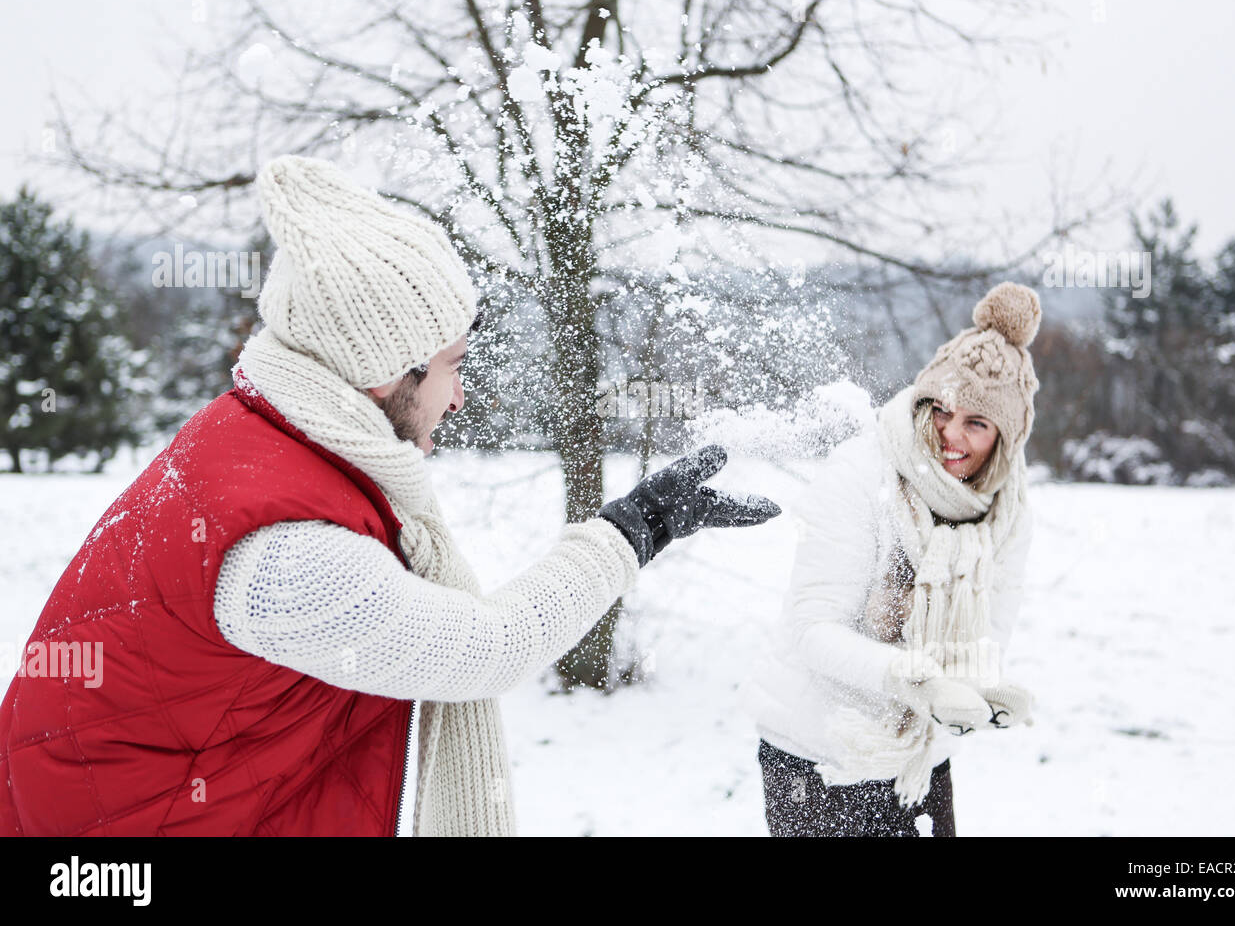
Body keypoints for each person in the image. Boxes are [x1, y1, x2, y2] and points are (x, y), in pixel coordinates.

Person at [0, 154, 779, 837]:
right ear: (384, 372)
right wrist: (633, 529)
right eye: (452, 364)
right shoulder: (286, 555)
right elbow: (488, 648)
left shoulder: (260, 434)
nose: (461, 395)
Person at [742, 281, 1041, 837]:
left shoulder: (1006, 512)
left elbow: (989, 631)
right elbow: (813, 630)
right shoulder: (863, 473)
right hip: (818, 753)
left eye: (977, 423)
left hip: (916, 758)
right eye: (943, 410)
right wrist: (913, 679)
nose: (951, 434)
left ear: (1005, 438)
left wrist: (979, 686)